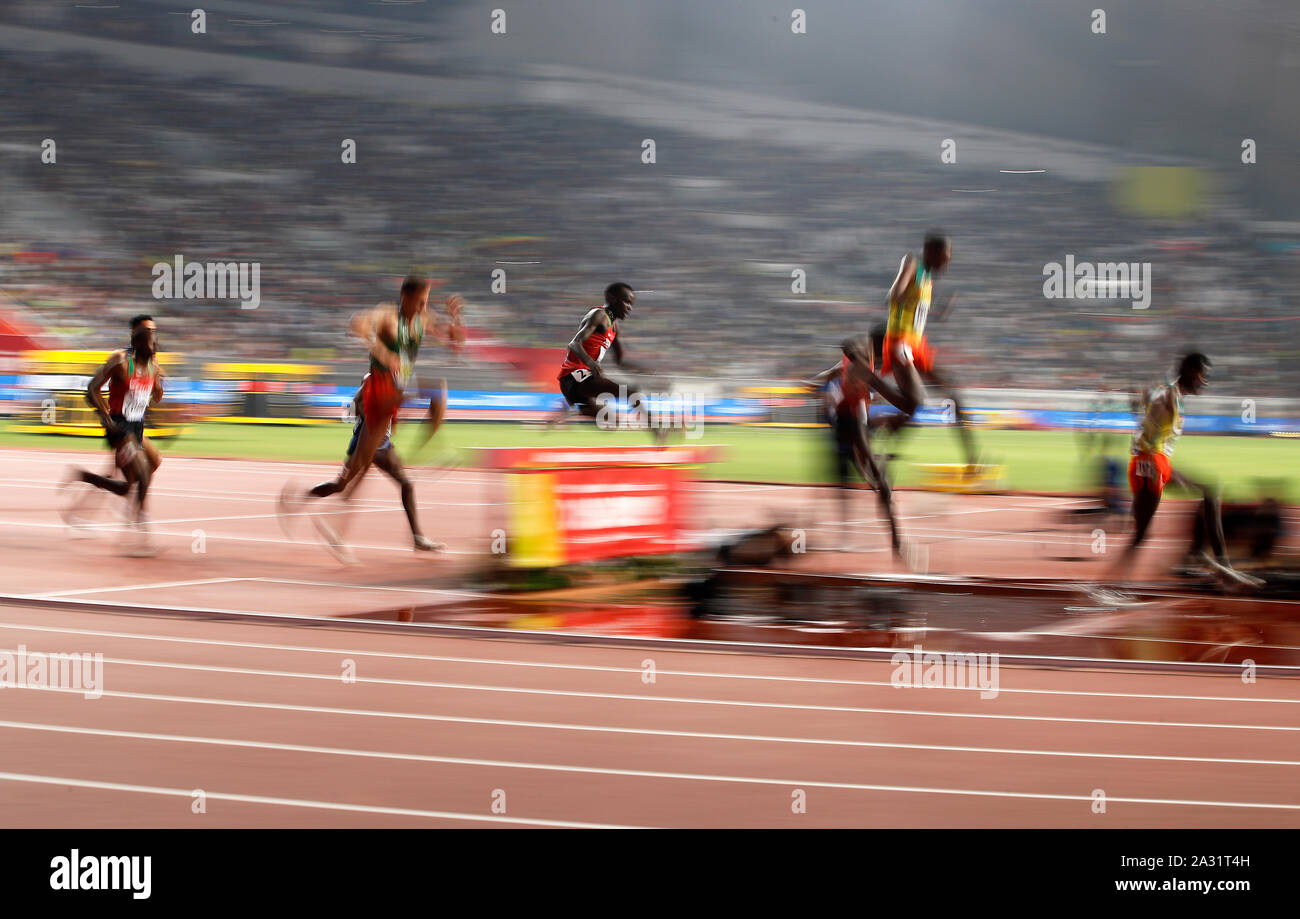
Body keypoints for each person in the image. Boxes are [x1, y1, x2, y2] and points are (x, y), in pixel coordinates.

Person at [280, 275, 464, 559]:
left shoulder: (424, 319)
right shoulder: (387, 314)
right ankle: (427, 455)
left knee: (351, 481)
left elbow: (456, 345)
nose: (425, 306)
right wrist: (379, 349)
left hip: (391, 403)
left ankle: (413, 536)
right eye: (421, 301)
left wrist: (456, 319)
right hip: (379, 392)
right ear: (406, 297)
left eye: (427, 301)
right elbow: (358, 323)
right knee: (435, 390)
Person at [1095, 352, 1262, 599]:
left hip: (1155, 462)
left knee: (1209, 491)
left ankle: (1214, 562)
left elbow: (1143, 398)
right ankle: (1110, 587)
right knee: (1141, 533)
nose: (1204, 381)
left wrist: (1132, 396)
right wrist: (1128, 396)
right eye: (1203, 375)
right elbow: (1149, 399)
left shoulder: (1171, 395)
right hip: (1148, 463)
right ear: (1192, 372)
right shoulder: (1168, 394)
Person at [873, 231, 979, 469]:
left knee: (951, 393)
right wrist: (900, 294)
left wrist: (939, 312)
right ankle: (871, 427)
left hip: (917, 343)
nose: (948, 262)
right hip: (900, 341)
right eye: (946, 256)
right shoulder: (912, 262)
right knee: (917, 402)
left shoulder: (927, 279)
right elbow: (894, 294)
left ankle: (972, 460)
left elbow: (915, 310)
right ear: (932, 251)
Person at [62, 315, 164, 553]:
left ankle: (84, 477)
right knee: (142, 475)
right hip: (119, 427)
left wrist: (157, 385)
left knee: (146, 469)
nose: (153, 338)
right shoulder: (120, 360)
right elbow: (92, 389)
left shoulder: (153, 363)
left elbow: (157, 396)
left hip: (136, 426)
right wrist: (106, 420)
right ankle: (139, 535)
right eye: (147, 333)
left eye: (154, 333)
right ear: (136, 337)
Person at [805, 329, 903, 556]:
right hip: (844, 427)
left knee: (862, 471)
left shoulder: (861, 381)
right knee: (850, 481)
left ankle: (892, 530)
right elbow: (839, 366)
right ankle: (879, 488)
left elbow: (861, 432)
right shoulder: (857, 364)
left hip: (850, 425)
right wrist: (817, 380)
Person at [555, 282, 666, 442]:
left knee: (611, 421)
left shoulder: (614, 327)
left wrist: (644, 371)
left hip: (581, 381)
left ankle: (569, 408)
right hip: (573, 376)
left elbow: (620, 362)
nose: (629, 307)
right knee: (631, 391)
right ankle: (657, 433)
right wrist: (591, 363)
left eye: (631, 304)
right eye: (626, 301)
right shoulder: (599, 315)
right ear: (612, 299)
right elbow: (574, 344)